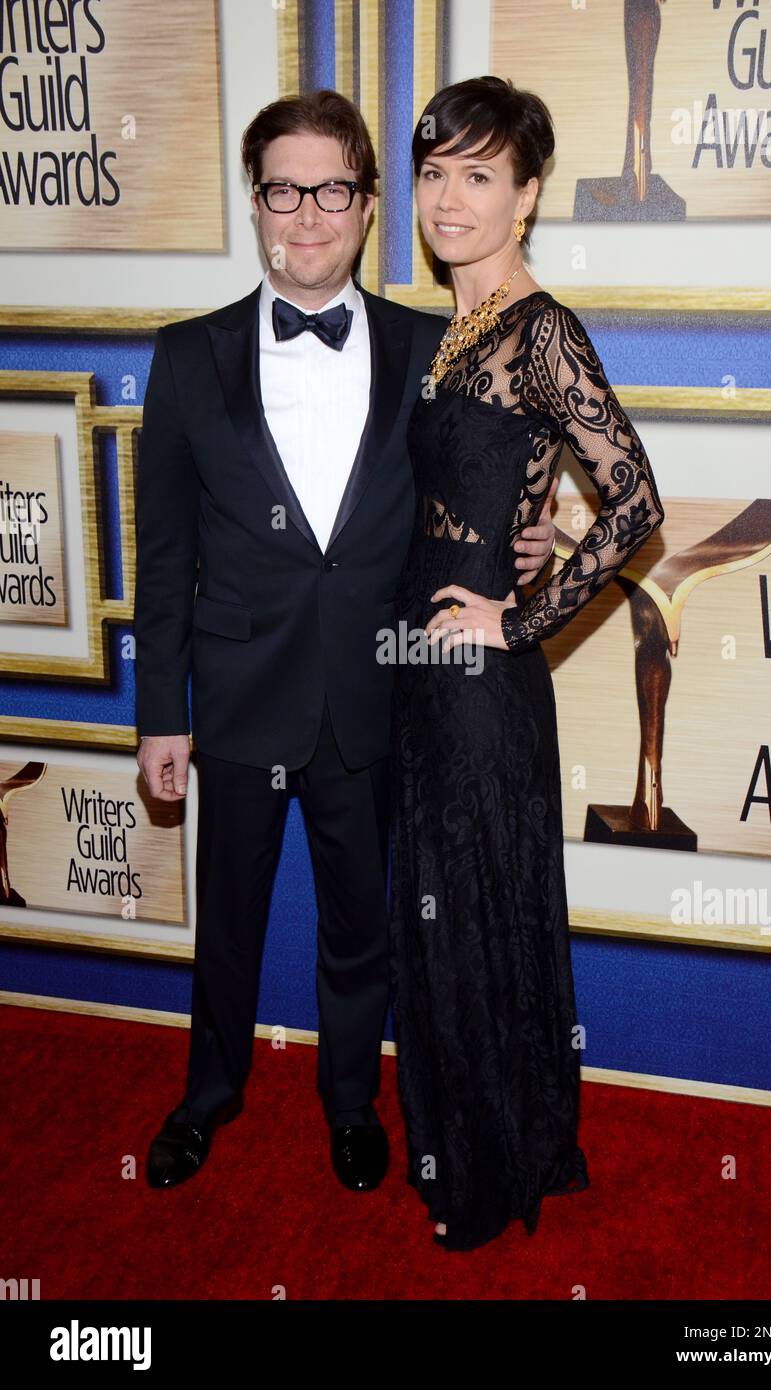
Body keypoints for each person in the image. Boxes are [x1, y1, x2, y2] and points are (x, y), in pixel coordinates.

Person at [133, 90, 557, 1193]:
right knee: (226, 923)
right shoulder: (185, 359)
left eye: (332, 189)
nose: (308, 213)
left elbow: (480, 487)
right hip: (234, 698)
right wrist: (160, 717)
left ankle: (351, 1104)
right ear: (258, 201)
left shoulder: (435, 348)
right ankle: (208, 1093)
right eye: (284, 187)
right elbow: (163, 555)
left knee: (360, 928)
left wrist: (533, 535)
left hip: (378, 697)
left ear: (370, 207)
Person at [389, 75, 665, 1250]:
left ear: (529, 193)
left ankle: (494, 1161)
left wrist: (521, 616)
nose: (451, 198)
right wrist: (529, 521)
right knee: (449, 905)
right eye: (436, 171)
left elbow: (637, 499)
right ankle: (488, 1133)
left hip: (479, 681)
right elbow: (492, 483)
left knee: (479, 901)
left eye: (480, 175)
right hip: (418, 668)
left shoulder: (539, 327)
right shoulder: (456, 330)